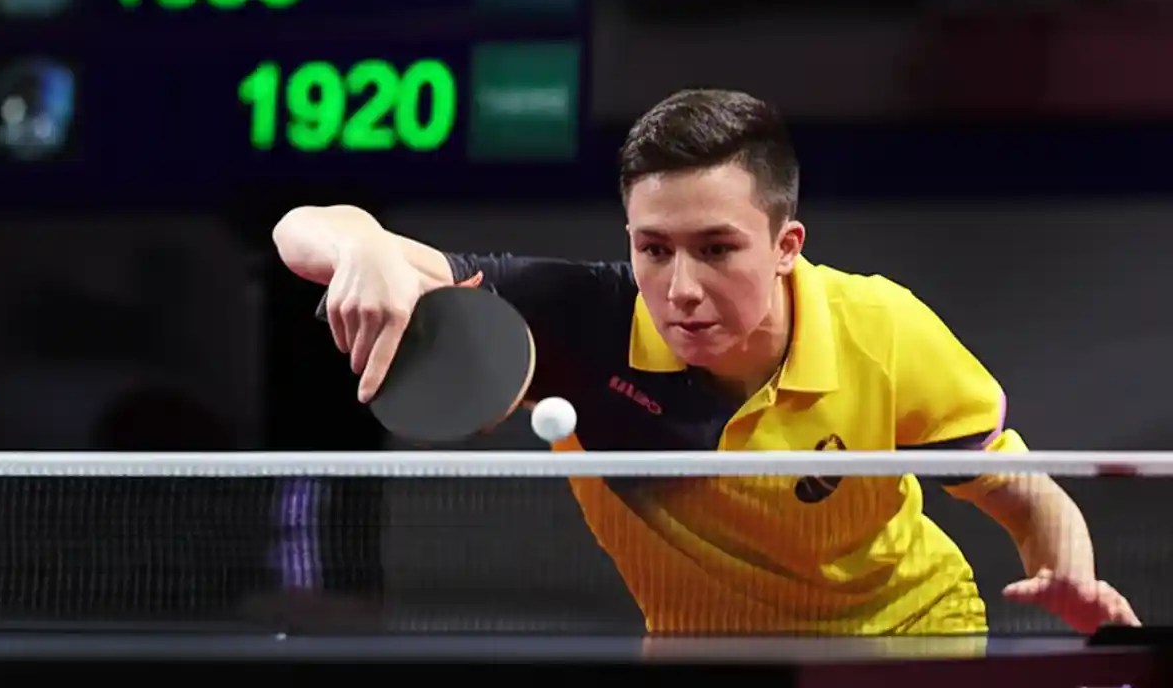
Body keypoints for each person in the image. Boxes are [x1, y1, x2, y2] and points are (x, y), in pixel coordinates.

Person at [271, 88, 1140, 635]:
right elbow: (302, 228)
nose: (679, 288)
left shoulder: (883, 331)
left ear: (785, 244)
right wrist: (369, 246)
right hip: (704, 654)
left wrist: (1071, 576)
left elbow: (1027, 492)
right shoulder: (583, 320)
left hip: (908, 639)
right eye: (654, 249)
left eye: (717, 248)